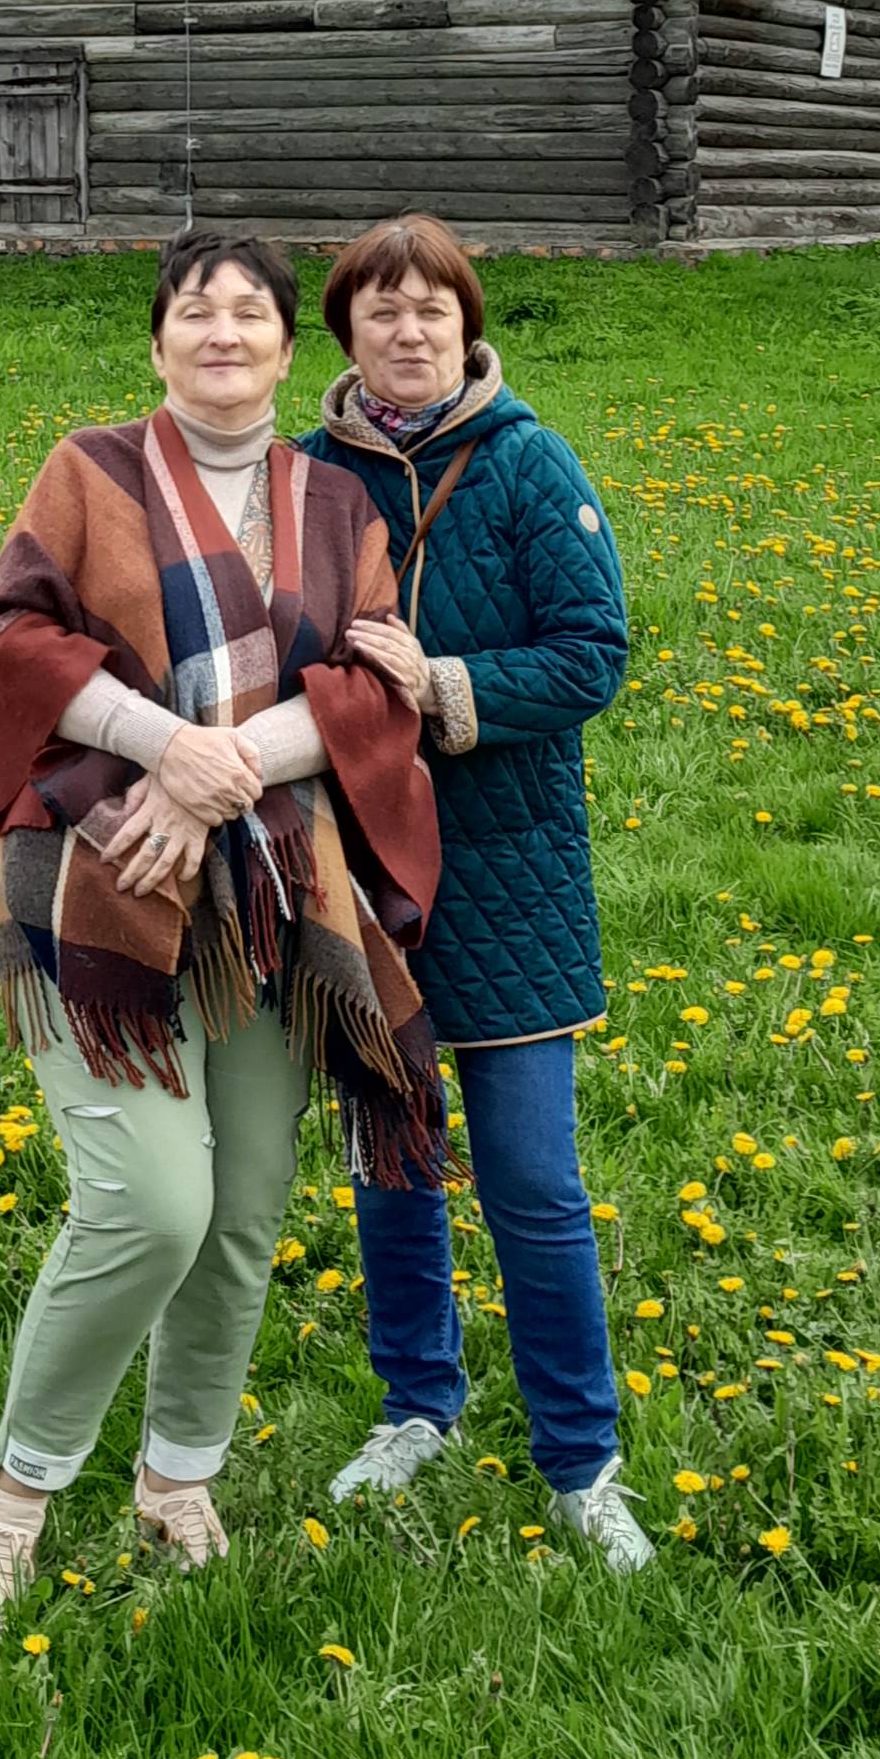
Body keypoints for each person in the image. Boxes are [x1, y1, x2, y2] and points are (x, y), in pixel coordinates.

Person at [0, 226, 443, 1634]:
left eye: (250, 316)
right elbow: (15, 645)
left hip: (270, 891)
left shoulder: (335, 504)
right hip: (100, 878)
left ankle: (175, 1482)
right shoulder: (87, 472)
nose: (222, 334)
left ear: (289, 350)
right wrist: (164, 750)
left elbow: (367, 684)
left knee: (239, 1219)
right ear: (156, 343)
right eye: (193, 313)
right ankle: (12, 1499)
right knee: (149, 1206)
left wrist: (227, 773)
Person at [299, 212, 653, 1576]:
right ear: (345, 336)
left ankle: (578, 1463)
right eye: (379, 311)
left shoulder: (526, 468)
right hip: (356, 879)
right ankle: (415, 1408)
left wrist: (439, 690)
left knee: (525, 1178)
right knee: (389, 1163)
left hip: (505, 871)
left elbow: (589, 655)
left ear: (464, 325)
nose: (406, 330)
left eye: (429, 310)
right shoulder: (305, 479)